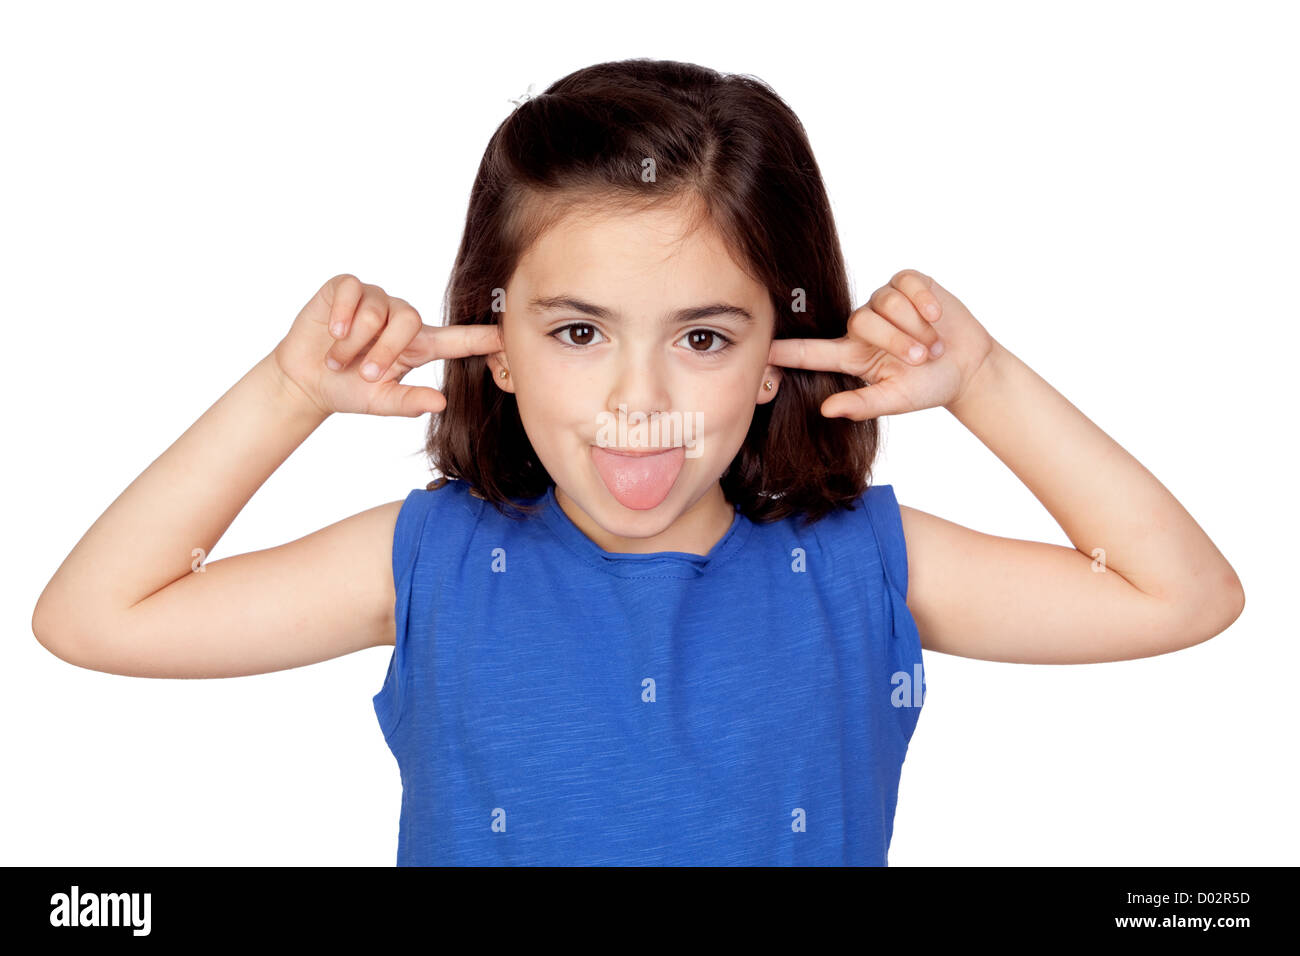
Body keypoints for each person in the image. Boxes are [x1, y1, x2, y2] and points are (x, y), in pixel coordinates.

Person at [30, 58, 1245, 866]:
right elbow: (94, 616)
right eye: (575, 332)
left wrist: (983, 383)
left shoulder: (865, 562)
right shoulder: (429, 560)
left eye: (705, 337)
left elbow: (1180, 593)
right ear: (493, 345)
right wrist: (288, 393)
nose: (638, 400)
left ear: (781, 353)